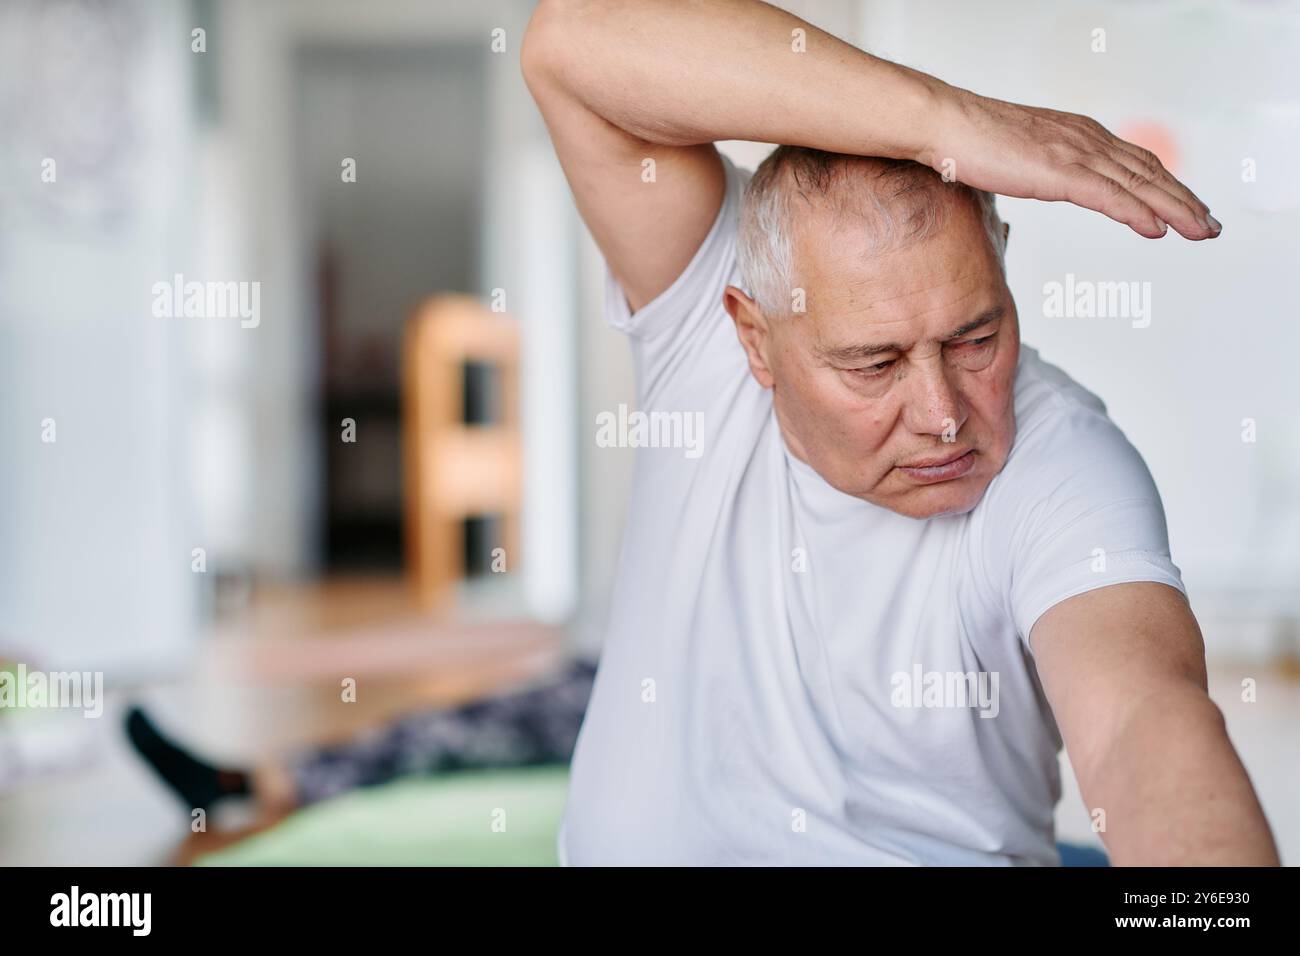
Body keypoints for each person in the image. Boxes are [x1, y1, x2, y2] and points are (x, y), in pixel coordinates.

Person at [520, 0, 1278, 865]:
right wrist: (948, 119)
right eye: (874, 365)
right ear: (754, 337)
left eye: (976, 339)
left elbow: (1140, 723)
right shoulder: (699, 327)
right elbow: (572, 39)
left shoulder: (1065, 459)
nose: (945, 413)